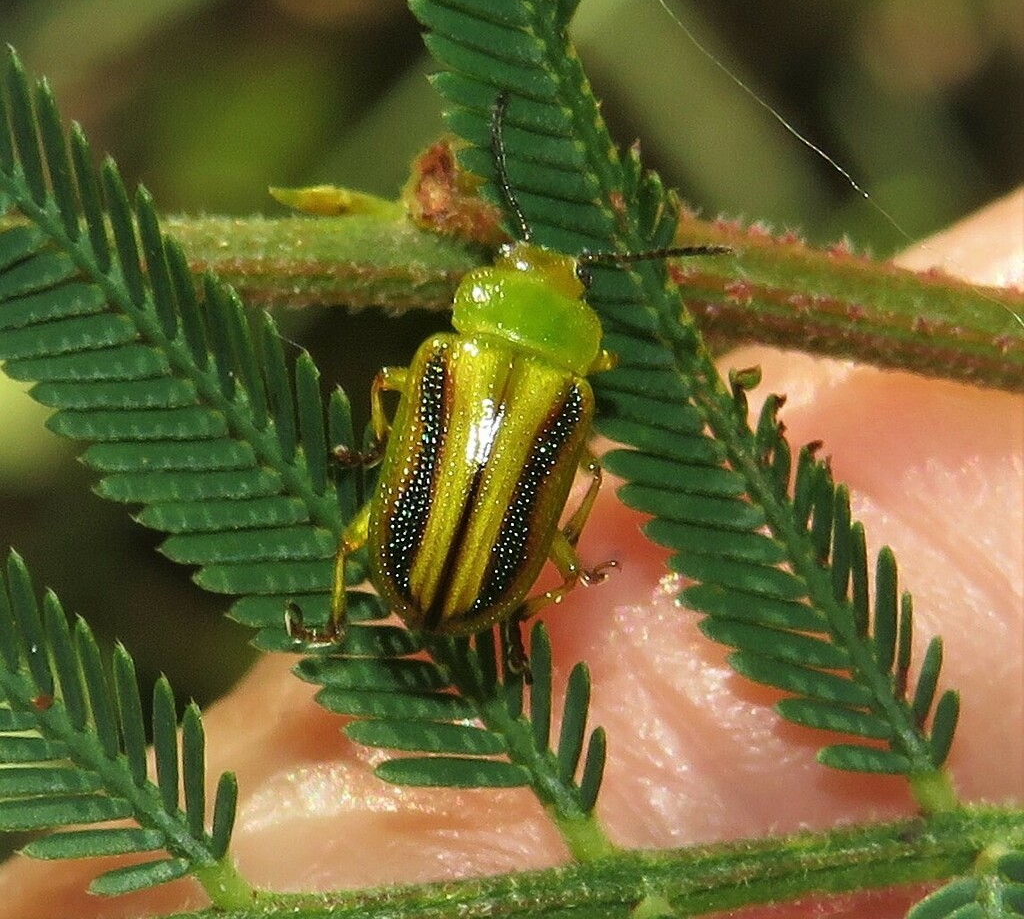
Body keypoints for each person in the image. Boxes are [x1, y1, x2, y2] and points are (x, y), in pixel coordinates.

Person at [1, 190, 1020, 919]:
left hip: (410, 559)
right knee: (566, 470)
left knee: (394, 464)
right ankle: (541, 572)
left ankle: (335, 603)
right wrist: (564, 562)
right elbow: (568, 481)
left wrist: (388, 456)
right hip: (484, 574)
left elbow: (402, 414)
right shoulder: (570, 393)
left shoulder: (450, 355)